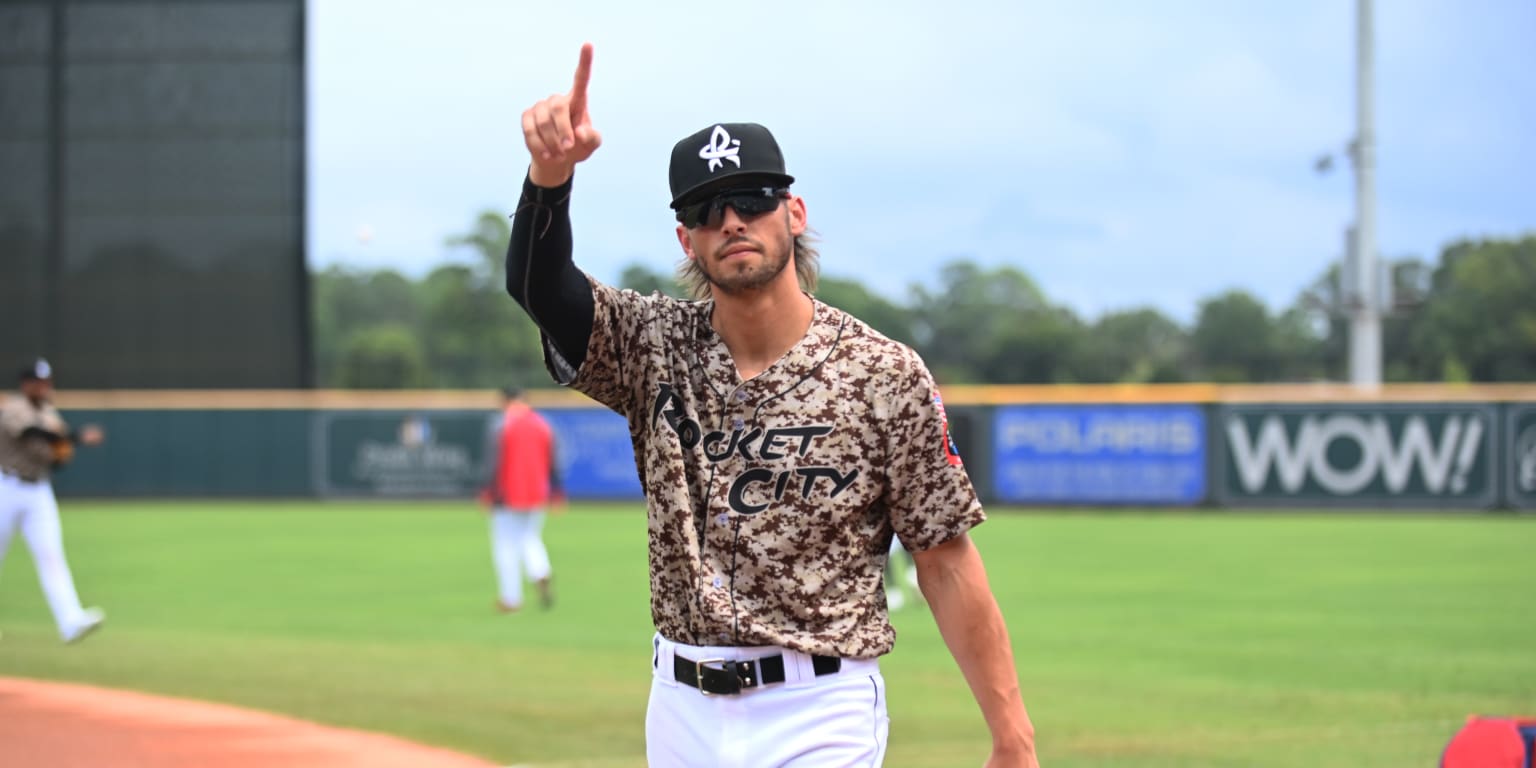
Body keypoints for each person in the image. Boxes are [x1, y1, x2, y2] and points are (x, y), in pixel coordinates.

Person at [507, 44, 1039, 767]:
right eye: (706, 208)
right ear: (686, 238)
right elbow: (542, 290)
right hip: (681, 705)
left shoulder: (881, 373)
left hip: (820, 707)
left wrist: (1012, 733)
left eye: (753, 199)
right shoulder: (653, 346)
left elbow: (944, 560)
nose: (733, 220)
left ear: (794, 211)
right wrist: (551, 176)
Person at [0, 358, 106, 644]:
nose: (43, 387)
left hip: (38, 492)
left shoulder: (49, 412)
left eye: (47, 382)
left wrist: (65, 448)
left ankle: (70, 620)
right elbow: (31, 433)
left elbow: (57, 454)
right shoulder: (13, 408)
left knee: (51, 556)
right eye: (38, 382)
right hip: (7, 488)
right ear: (26, 384)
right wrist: (77, 437)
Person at [479, 386, 562, 613]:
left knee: (505, 544)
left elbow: (492, 462)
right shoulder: (544, 424)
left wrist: (487, 490)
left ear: (505, 401)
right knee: (529, 536)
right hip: (537, 493)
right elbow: (554, 462)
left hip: (506, 494)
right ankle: (540, 570)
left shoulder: (500, 424)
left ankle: (510, 598)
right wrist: (557, 491)